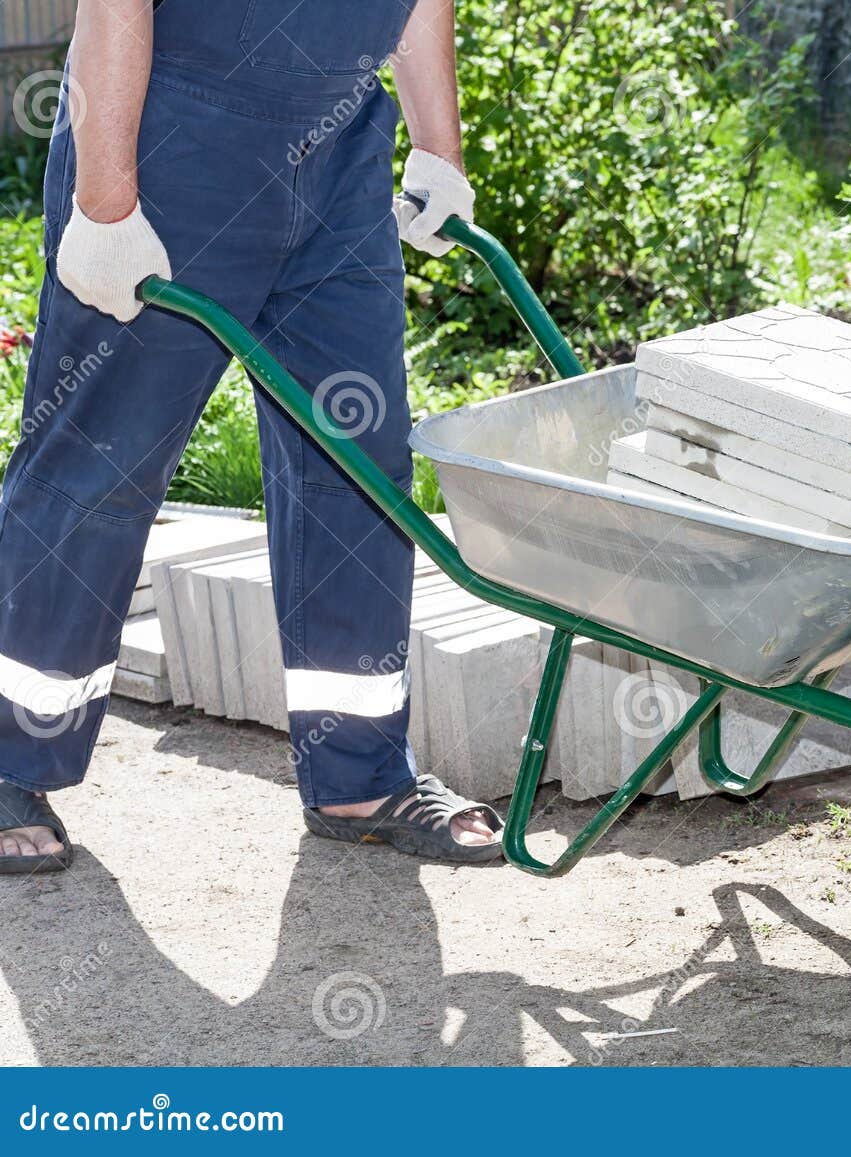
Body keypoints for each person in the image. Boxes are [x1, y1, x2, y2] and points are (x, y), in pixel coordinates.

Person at [0, 0, 503, 871]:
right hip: (174, 142)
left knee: (356, 464)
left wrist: (437, 149)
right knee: (99, 468)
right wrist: (107, 199)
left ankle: (359, 768)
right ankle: (8, 760)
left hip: (339, 151)